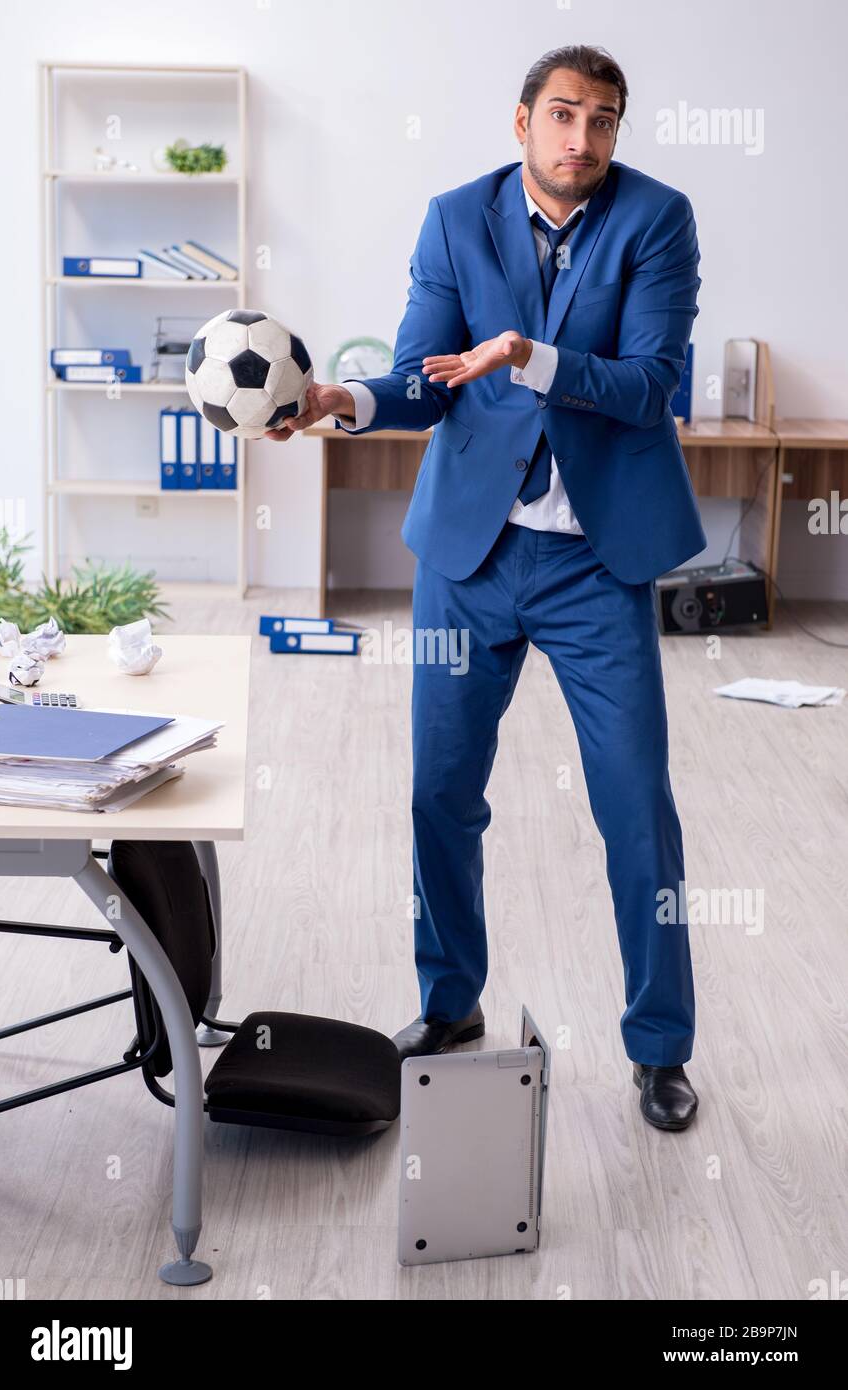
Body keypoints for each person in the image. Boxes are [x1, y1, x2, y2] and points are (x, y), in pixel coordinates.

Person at [264, 43, 705, 1131]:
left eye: (604, 120)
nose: (583, 139)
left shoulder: (658, 220)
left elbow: (651, 387)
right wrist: (341, 400)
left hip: (596, 564)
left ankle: (659, 1049)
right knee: (439, 793)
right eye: (564, 115)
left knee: (637, 810)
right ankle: (450, 1005)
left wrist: (531, 356)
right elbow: (424, 372)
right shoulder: (455, 219)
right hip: (472, 555)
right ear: (521, 124)